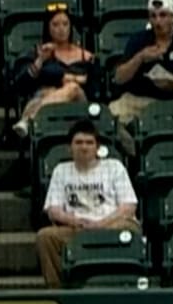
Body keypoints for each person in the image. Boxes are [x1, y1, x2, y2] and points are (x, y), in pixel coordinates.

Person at [34, 120, 139, 287]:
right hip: (77, 229)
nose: (84, 147)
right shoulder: (61, 170)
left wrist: (101, 224)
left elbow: (129, 206)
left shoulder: (114, 167)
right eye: (79, 142)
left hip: (111, 225)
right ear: (70, 147)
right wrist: (77, 222)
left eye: (89, 143)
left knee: (128, 228)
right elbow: (54, 210)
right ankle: (58, 290)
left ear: (97, 147)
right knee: (45, 237)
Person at [107, 0, 173, 127]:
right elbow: (119, 78)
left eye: (163, 15)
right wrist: (140, 57)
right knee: (109, 118)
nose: (158, 21)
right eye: (153, 16)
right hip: (139, 101)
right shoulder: (138, 40)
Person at [8, 5, 95, 139]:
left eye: (65, 24)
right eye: (55, 24)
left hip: (78, 105)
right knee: (47, 92)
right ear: (47, 27)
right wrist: (40, 60)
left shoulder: (86, 56)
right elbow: (21, 84)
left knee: (72, 88)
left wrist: (72, 80)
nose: (61, 29)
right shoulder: (38, 52)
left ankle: (29, 119)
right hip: (43, 98)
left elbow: (92, 83)